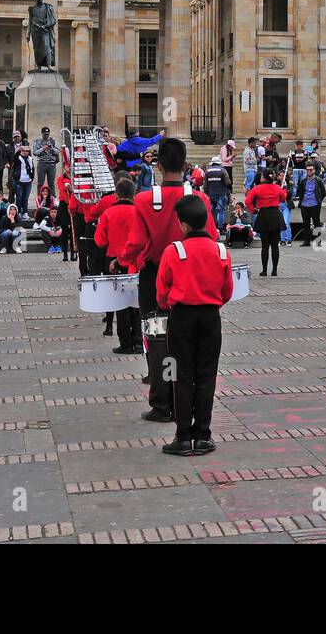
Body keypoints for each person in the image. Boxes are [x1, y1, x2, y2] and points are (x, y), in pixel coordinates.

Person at [121, 137, 217, 425]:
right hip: (190, 276)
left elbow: (137, 243)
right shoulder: (199, 199)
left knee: (158, 341)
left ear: (158, 165)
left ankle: (162, 402)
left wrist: (121, 259)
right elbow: (211, 238)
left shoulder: (144, 199)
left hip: (154, 279)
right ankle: (183, 400)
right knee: (187, 340)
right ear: (186, 165)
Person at [155, 194, 233, 456]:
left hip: (182, 318)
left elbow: (161, 293)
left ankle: (182, 436)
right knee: (207, 375)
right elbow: (227, 291)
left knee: (182, 376)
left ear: (184, 225)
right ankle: (203, 435)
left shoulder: (174, 251)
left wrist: (172, 304)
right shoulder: (221, 251)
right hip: (210, 317)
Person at [96, 177, 144, 353]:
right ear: (134, 195)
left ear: (116, 195)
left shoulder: (108, 214)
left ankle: (125, 342)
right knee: (137, 303)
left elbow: (100, 241)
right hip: (136, 261)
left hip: (114, 262)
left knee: (120, 304)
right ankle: (139, 341)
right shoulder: (140, 212)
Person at [245, 168, 288, 277]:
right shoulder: (278, 188)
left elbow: (247, 201)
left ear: (263, 178)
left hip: (263, 215)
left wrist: (253, 210)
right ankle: (274, 270)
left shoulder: (257, 188)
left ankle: (264, 270)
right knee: (275, 245)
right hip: (275, 215)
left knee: (265, 246)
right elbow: (283, 198)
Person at [295, 163, 326, 246]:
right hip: (304, 204)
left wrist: (318, 201)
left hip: (314, 204)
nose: (309, 171)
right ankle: (307, 241)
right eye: (307, 170)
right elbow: (300, 191)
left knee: (316, 223)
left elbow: (323, 193)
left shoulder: (319, 181)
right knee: (305, 223)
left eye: (310, 170)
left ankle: (318, 241)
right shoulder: (303, 181)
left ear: (314, 170)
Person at [204, 157, 232, 234]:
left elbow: (205, 185)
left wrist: (206, 194)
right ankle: (220, 228)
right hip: (221, 193)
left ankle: (211, 228)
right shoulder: (223, 170)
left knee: (211, 211)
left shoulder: (207, 171)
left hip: (211, 194)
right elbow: (228, 182)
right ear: (219, 163)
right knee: (221, 211)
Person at [32, 127, 60, 197]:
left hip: (51, 164)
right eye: (45, 134)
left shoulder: (53, 141)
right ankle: (39, 197)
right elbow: (35, 152)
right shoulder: (37, 141)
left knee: (51, 183)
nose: (46, 136)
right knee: (40, 183)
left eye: (47, 134)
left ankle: (53, 198)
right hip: (42, 163)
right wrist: (43, 149)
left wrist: (52, 148)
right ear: (42, 134)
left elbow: (58, 151)